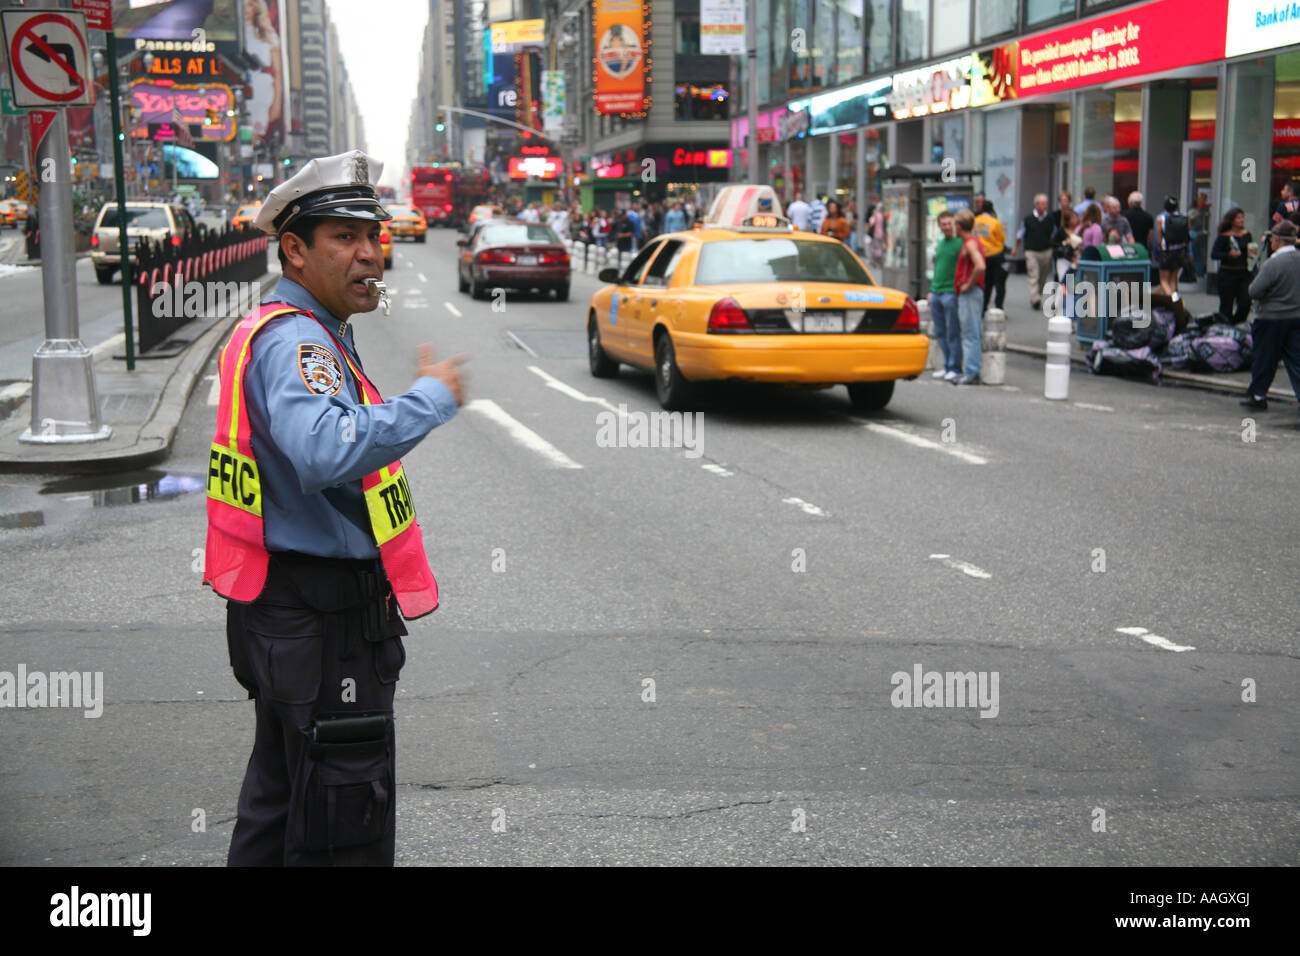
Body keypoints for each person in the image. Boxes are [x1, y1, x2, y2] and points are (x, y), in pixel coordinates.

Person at [211, 150, 467, 866]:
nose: (370, 255)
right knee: (341, 820)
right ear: (294, 250)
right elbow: (322, 450)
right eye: (345, 239)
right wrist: (430, 399)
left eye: (373, 237)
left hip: (284, 613)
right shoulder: (297, 338)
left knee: (280, 800)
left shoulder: (296, 328)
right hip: (322, 625)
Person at [1242, 220, 1300, 410]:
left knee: (1265, 359)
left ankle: (1258, 396)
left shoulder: (1273, 264)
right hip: (1296, 316)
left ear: (1276, 239)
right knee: (1296, 360)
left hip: (1271, 318)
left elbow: (1254, 291)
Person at [928, 210, 963, 383]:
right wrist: (931, 290)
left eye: (949, 223)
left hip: (950, 291)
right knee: (941, 332)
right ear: (939, 226)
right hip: (937, 291)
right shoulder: (940, 244)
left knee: (952, 331)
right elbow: (937, 269)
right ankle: (947, 366)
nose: (947, 227)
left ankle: (955, 367)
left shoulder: (960, 243)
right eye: (944, 224)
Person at [953, 210, 986, 385]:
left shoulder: (970, 244)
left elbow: (980, 266)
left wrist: (968, 284)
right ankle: (972, 370)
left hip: (969, 293)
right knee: (971, 331)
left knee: (969, 332)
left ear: (958, 226)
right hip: (972, 292)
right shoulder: (972, 242)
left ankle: (971, 371)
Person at [1210, 206, 1252, 325]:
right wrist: (1228, 255)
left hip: (1243, 273)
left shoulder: (1246, 235)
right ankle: (1225, 326)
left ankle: (1237, 322)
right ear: (1232, 220)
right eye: (1238, 218)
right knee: (1226, 305)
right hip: (1227, 274)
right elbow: (1214, 254)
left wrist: (1251, 252)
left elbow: (1248, 249)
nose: (1241, 220)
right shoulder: (1224, 236)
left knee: (1245, 302)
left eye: (1242, 217)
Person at [1012, 193, 1055, 310]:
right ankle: (1035, 298)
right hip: (1031, 251)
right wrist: (1015, 248)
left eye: (1046, 204)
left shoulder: (1050, 219)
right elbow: (1020, 234)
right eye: (1042, 204)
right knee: (1033, 275)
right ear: (1036, 205)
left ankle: (1038, 294)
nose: (1045, 206)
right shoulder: (1028, 219)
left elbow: (1054, 234)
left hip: (1046, 250)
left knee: (1043, 277)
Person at [973, 199, 1006, 313]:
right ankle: (998, 308)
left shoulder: (975, 221)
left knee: (986, 283)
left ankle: (983, 307)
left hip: (981, 255)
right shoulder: (995, 222)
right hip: (996, 255)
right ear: (992, 209)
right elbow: (1001, 239)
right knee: (999, 283)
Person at [1153, 196, 1190, 297]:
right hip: (1180, 251)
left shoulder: (1161, 219)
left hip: (1167, 252)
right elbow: (1187, 236)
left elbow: (1158, 240)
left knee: (1164, 281)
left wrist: (1156, 253)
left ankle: (1172, 302)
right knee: (1173, 280)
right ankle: (1175, 300)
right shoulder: (1184, 218)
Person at [1051, 208, 1083, 282]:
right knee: (1064, 281)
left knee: (1074, 282)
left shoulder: (1079, 230)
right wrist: (1065, 242)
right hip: (1063, 259)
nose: (1076, 220)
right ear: (1068, 220)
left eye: (1076, 217)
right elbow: (1054, 245)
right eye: (1074, 218)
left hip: (1075, 259)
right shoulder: (1061, 231)